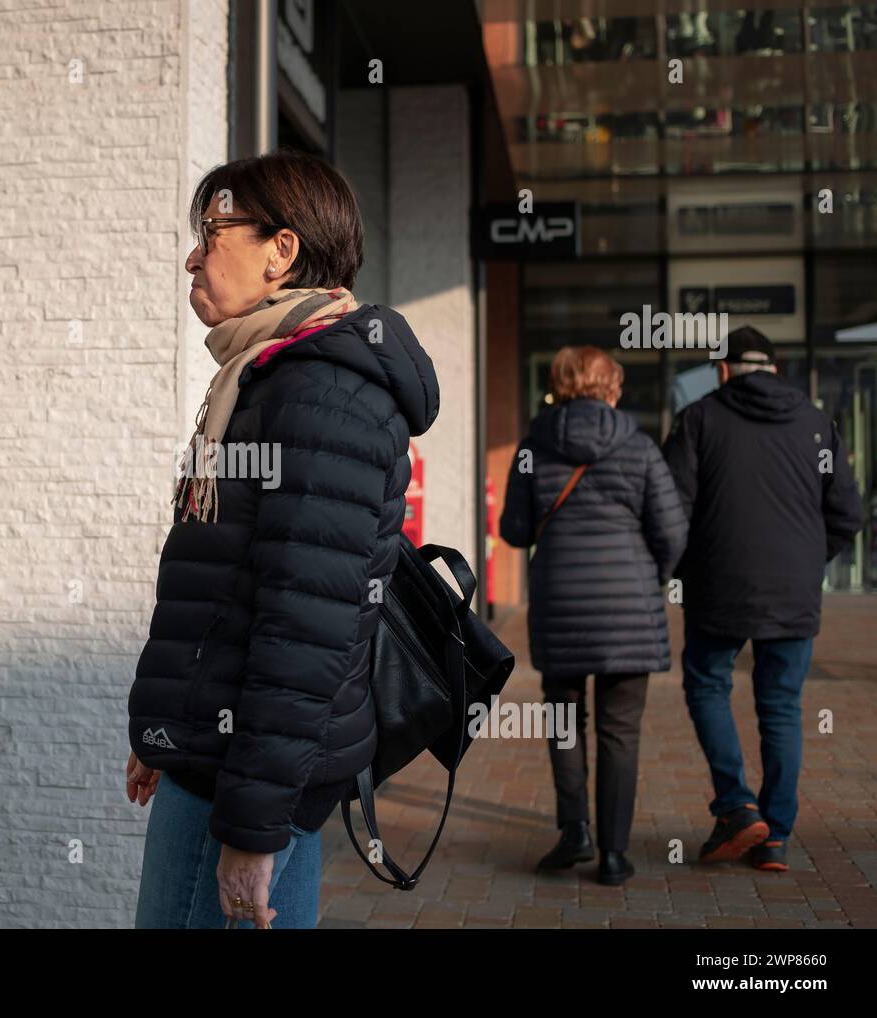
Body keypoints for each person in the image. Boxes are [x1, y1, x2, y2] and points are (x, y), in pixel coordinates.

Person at [125, 150, 440, 928]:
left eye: (213, 232)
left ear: (282, 251)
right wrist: (169, 726)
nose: (192, 256)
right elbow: (226, 594)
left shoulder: (321, 391)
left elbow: (307, 631)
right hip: (218, 762)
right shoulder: (269, 376)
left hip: (245, 785)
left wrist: (253, 825)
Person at [663, 326, 864, 871]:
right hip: (793, 596)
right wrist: (802, 566)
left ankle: (736, 805)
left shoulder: (699, 420)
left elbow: (670, 513)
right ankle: (774, 834)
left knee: (707, 686)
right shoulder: (817, 424)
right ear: (774, 368)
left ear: (724, 370)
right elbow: (847, 515)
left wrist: (684, 572)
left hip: (718, 589)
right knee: (781, 708)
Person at [500, 346, 687, 886]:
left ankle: (575, 831)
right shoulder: (640, 444)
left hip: (561, 606)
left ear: (560, 385)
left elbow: (514, 530)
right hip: (630, 610)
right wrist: (650, 580)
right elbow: (673, 532)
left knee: (564, 720)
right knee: (619, 731)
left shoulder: (534, 447)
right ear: (611, 388)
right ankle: (614, 854)